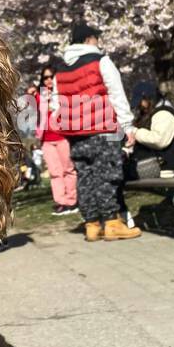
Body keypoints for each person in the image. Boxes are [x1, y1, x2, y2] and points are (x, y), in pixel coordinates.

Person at [53, 23, 141, 241]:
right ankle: (112, 222)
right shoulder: (100, 61)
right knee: (107, 174)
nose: (98, 42)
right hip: (103, 128)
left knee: (85, 176)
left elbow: (56, 105)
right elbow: (116, 94)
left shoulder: (60, 70)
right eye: (96, 38)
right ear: (88, 39)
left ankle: (91, 225)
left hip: (75, 134)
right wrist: (127, 125)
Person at [35, 65, 78, 215]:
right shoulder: (40, 96)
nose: (48, 80)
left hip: (63, 137)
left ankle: (72, 201)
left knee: (68, 169)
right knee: (55, 172)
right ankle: (61, 202)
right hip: (46, 140)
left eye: (50, 76)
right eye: (45, 77)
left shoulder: (63, 94)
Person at [125, 80, 174, 179]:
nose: (140, 107)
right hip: (153, 164)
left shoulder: (164, 114)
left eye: (141, 102)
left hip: (162, 168)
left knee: (117, 172)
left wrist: (135, 132)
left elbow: (158, 140)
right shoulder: (154, 114)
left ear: (149, 98)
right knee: (117, 169)